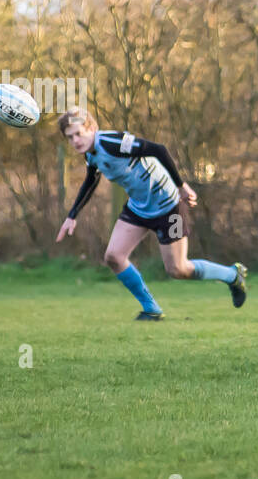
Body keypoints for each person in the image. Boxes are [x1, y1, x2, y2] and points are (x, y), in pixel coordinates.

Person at [53, 107, 247, 320]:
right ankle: (151, 309)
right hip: (139, 208)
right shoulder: (90, 153)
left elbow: (159, 149)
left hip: (169, 207)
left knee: (178, 270)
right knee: (114, 257)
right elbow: (91, 179)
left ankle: (232, 275)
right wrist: (72, 215)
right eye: (70, 137)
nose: (75, 141)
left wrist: (181, 186)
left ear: (92, 128)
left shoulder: (112, 143)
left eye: (79, 133)